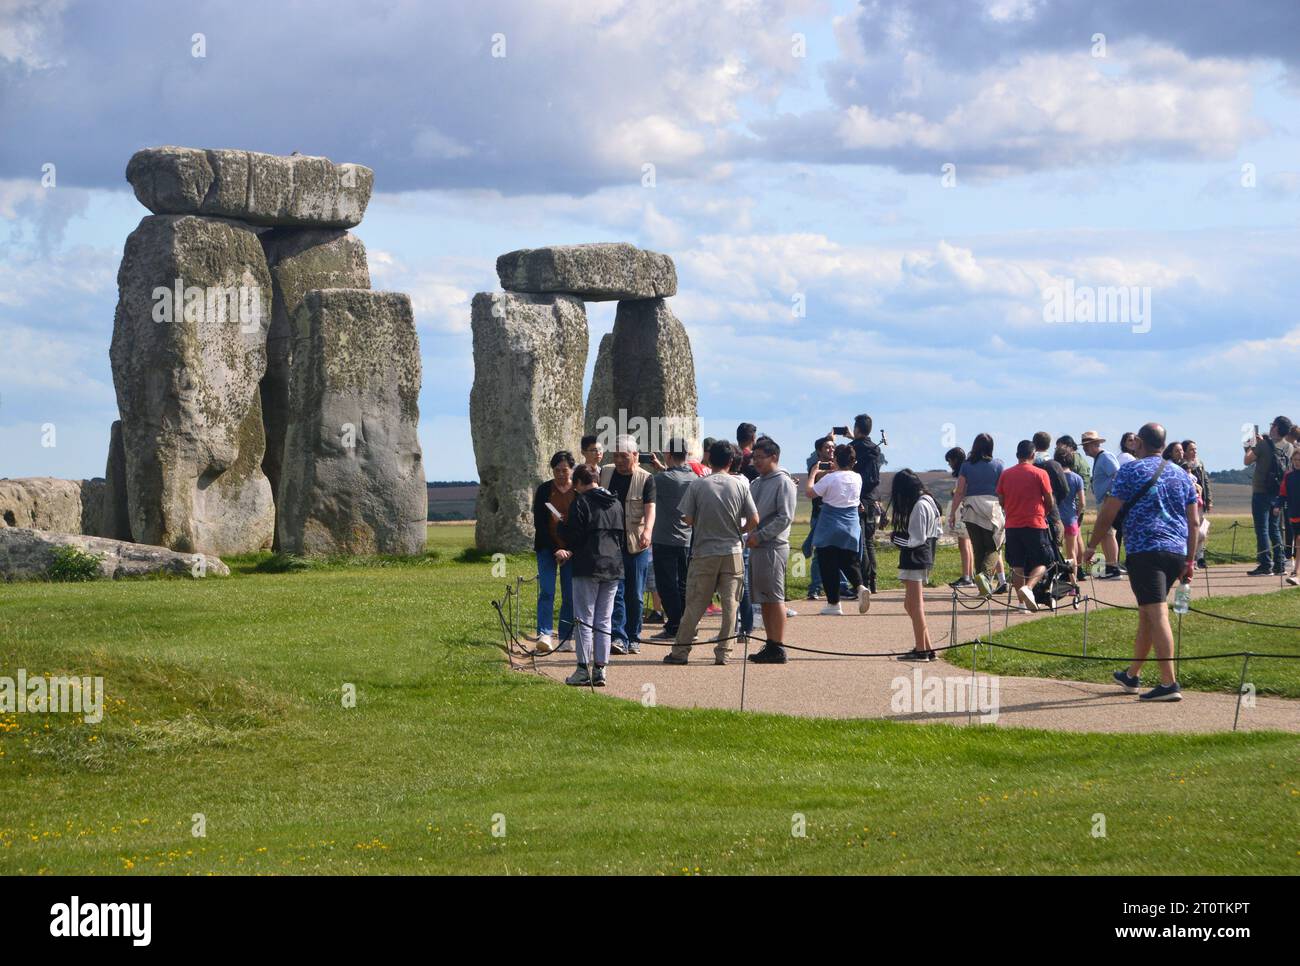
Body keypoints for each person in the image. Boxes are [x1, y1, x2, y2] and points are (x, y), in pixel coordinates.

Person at [1084, 422, 1199, 702]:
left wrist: (1091, 546)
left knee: (1157, 613)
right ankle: (1132, 675)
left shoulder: (1131, 470)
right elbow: (1194, 522)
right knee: (1148, 612)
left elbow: (1109, 513)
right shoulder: (1181, 475)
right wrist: (1190, 560)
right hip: (1176, 551)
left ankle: (1169, 683)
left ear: (1140, 443)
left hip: (1145, 551)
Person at [666, 441, 757, 665]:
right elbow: (754, 519)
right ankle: (724, 652)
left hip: (704, 551)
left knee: (695, 603)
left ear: (710, 459)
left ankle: (681, 651)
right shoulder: (740, 485)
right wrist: (740, 530)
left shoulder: (698, 485)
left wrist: (703, 523)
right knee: (730, 605)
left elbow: (687, 519)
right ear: (730, 461)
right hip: (732, 551)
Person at [558, 465, 625, 687]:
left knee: (584, 619)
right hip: (613, 565)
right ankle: (600, 669)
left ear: (578, 483)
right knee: (604, 619)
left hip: (588, 565)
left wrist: (561, 526)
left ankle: (582, 668)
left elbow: (574, 538)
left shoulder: (581, 502)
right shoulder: (616, 503)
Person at [601, 435, 656, 653]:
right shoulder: (605, 471)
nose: (619, 461)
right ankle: (619, 637)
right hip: (610, 543)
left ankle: (634, 636)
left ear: (635, 455)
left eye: (623, 456)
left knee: (635, 593)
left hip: (635, 543)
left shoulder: (646, 478)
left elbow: (650, 507)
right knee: (616, 591)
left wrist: (648, 531)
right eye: (615, 456)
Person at [746, 437, 797, 664]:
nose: (756, 461)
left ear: (774, 457)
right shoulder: (756, 483)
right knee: (763, 598)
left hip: (773, 547)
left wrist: (761, 535)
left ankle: (778, 645)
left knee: (774, 597)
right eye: (753, 457)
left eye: (760, 457)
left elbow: (784, 517)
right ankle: (770, 642)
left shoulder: (783, 482)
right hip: (755, 546)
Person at [806, 443, 869, 615]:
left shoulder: (829, 478)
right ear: (853, 461)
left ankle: (834, 604)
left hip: (830, 525)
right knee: (848, 560)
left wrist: (814, 473)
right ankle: (860, 586)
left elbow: (810, 492)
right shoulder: (858, 478)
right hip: (851, 525)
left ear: (835, 459)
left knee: (827, 564)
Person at [996, 439, 1056, 612]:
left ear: (1017, 455)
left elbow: (1001, 499)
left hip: (1013, 524)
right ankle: (1028, 588)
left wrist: (1010, 508)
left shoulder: (1006, 474)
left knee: (1017, 564)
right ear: (1033, 454)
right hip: (1035, 523)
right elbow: (1049, 498)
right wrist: (1044, 512)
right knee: (1043, 560)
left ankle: (1021, 604)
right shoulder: (1040, 473)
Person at [889, 469, 941, 661]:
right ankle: (927, 647)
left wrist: (895, 538)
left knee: (915, 606)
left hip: (915, 557)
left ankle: (921, 650)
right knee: (910, 605)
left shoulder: (920, 505)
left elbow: (916, 539)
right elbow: (936, 533)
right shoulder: (930, 501)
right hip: (923, 556)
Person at [648, 438, 696, 642]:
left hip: (665, 537)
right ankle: (687, 625)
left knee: (666, 585)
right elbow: (673, 478)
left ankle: (675, 625)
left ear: (668, 454)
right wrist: (661, 468)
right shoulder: (695, 477)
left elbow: (659, 483)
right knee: (684, 584)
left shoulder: (662, 480)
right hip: (687, 538)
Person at [531, 451, 577, 654]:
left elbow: (583, 524)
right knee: (547, 591)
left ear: (572, 470)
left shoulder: (579, 490)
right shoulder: (544, 490)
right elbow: (539, 524)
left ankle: (566, 635)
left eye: (564, 470)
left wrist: (569, 550)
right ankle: (545, 634)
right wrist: (556, 549)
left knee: (569, 594)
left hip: (572, 551)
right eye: (557, 470)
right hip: (547, 547)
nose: (560, 474)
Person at [952, 433, 1008, 596]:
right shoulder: (998, 465)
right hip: (992, 508)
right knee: (993, 547)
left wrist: (953, 513)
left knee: (978, 548)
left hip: (971, 510)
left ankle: (983, 586)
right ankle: (985, 577)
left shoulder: (966, 466)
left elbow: (959, 491)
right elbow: (1002, 491)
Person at [1243, 416, 1294, 576]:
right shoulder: (1290, 447)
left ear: (1276, 428)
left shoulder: (1263, 445)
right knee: (1275, 529)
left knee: (1262, 529)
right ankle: (1279, 565)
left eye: (1272, 425)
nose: (1271, 427)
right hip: (1278, 492)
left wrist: (1253, 445)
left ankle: (1265, 564)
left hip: (1261, 490)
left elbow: (1247, 460)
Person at [849, 414, 885, 594]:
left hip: (857, 498)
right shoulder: (874, 449)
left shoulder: (852, 449)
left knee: (859, 541)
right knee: (869, 541)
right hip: (872, 498)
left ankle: (861, 581)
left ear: (856, 429)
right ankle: (873, 580)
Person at [1081, 430, 1124, 580]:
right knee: (1105, 534)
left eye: (1087, 445)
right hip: (1103, 500)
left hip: (1107, 499)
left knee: (1108, 532)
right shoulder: (1099, 458)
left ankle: (1113, 567)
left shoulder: (1105, 457)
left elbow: (1118, 475)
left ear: (1095, 444)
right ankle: (1111, 566)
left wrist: (1110, 495)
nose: (1085, 448)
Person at [944, 446, 975, 588]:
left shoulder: (963, 471)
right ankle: (970, 574)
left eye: (949, 461)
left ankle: (966, 576)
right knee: (967, 543)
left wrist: (955, 493)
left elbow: (961, 491)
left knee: (963, 544)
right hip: (969, 508)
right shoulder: (969, 468)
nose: (949, 464)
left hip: (963, 509)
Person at [1054, 443, 1086, 576]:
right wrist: (1077, 514)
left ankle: (1056, 579)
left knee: (1056, 551)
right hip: (1071, 518)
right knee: (1071, 552)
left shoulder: (1053, 477)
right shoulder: (1077, 478)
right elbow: (1082, 502)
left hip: (1056, 519)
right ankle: (1073, 584)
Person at [1032, 431, 1067, 550]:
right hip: (1052, 511)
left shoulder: (1030, 465)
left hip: (1033, 511)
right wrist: (1055, 499)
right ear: (1049, 445)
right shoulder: (1054, 465)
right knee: (1056, 547)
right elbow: (1064, 489)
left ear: (1034, 444)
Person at [1182, 439, 1213, 569]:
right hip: (1187, 502)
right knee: (1190, 529)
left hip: (1200, 501)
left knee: (1201, 530)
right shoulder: (1182, 466)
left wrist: (1209, 499)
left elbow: (1205, 481)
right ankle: (1190, 557)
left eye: (1195, 449)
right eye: (1191, 449)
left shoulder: (1199, 464)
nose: (1194, 452)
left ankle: (1200, 557)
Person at [1280, 449, 1300, 585]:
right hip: (1294, 514)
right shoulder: (1288, 476)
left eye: (1299, 460)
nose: (1297, 462)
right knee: (1298, 540)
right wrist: (1277, 505)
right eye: (1295, 460)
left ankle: (1296, 572)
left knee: (1299, 541)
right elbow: (1283, 494)